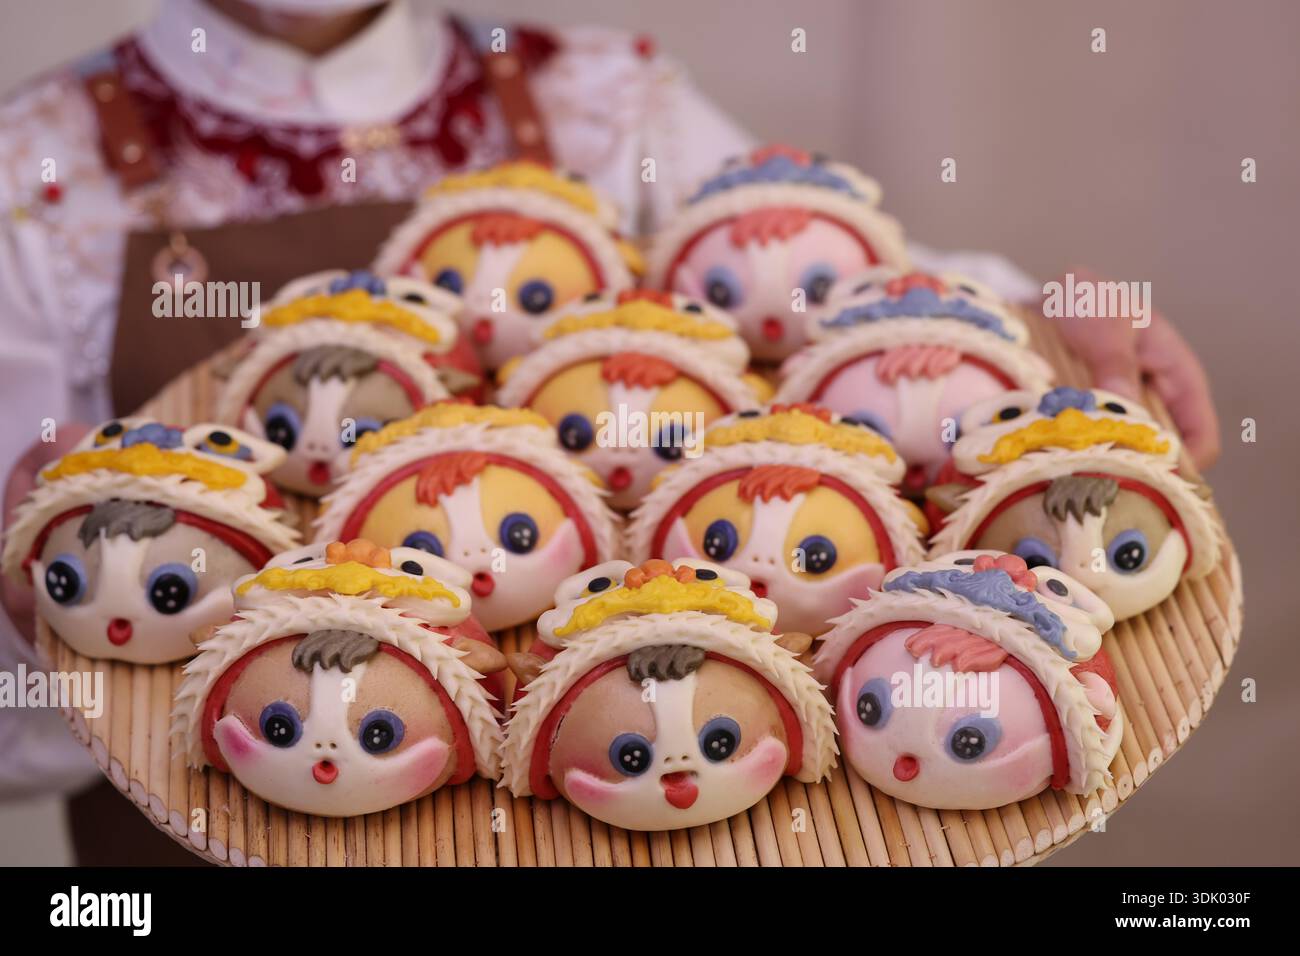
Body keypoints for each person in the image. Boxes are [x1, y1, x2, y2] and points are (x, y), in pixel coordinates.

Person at [0, 0, 1219, 863]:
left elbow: (848, 281)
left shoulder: (605, 98)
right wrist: (61, 629)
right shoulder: (30, 169)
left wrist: (1058, 311)